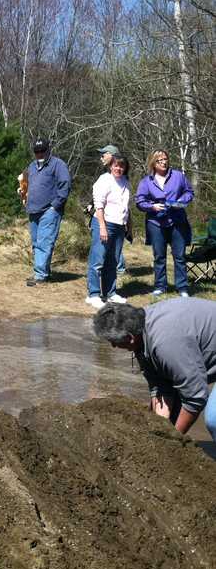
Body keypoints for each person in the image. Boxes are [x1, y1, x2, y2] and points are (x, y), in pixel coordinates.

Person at [93, 300, 216, 442]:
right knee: (169, 422)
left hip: (184, 342)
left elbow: (196, 397)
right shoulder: (138, 325)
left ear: (130, 338)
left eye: (114, 342)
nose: (113, 346)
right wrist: (160, 433)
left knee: (214, 419)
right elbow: (160, 386)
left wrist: (174, 440)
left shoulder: (166, 344)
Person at [135, 149, 194, 297]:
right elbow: (140, 201)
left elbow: (189, 192)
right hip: (156, 222)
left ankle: (182, 287)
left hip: (177, 221)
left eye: (165, 159)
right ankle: (160, 286)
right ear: (153, 163)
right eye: (159, 160)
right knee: (159, 256)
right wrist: (152, 206)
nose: (163, 162)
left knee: (179, 256)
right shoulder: (146, 181)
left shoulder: (178, 176)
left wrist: (180, 201)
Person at [85, 152, 132, 309]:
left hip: (120, 225)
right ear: (111, 166)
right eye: (116, 165)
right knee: (97, 261)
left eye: (121, 166)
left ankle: (110, 293)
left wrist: (129, 227)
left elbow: (127, 207)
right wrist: (102, 227)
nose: (118, 168)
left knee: (113, 261)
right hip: (104, 223)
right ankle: (93, 295)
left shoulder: (126, 182)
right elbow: (99, 206)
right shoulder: (104, 180)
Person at [24, 138, 71, 286]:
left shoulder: (58, 164)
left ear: (48, 150)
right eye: (36, 151)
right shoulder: (31, 166)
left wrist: (55, 206)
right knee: (36, 243)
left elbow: (65, 185)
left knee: (44, 242)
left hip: (49, 211)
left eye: (42, 151)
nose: (39, 154)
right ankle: (45, 271)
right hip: (33, 210)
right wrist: (23, 192)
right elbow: (26, 183)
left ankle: (40, 276)